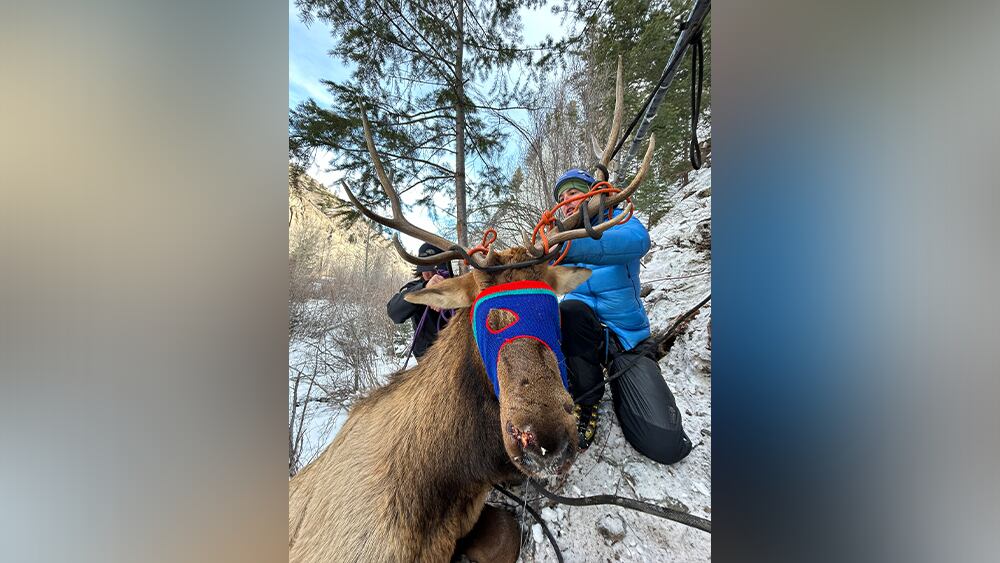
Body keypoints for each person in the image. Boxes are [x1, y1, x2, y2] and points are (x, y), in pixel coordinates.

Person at [554, 168, 693, 465]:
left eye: (573, 193)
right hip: (582, 335)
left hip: (625, 339)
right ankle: (587, 401)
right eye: (561, 197)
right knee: (568, 311)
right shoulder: (557, 241)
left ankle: (621, 381)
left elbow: (637, 242)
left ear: (594, 194)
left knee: (663, 443)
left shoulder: (620, 221)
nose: (565, 201)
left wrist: (569, 245)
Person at [387, 243, 454, 361]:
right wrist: (424, 290)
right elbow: (394, 312)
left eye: (432, 269)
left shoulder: (455, 285)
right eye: (423, 269)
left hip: (454, 352)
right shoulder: (414, 287)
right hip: (427, 358)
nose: (426, 274)